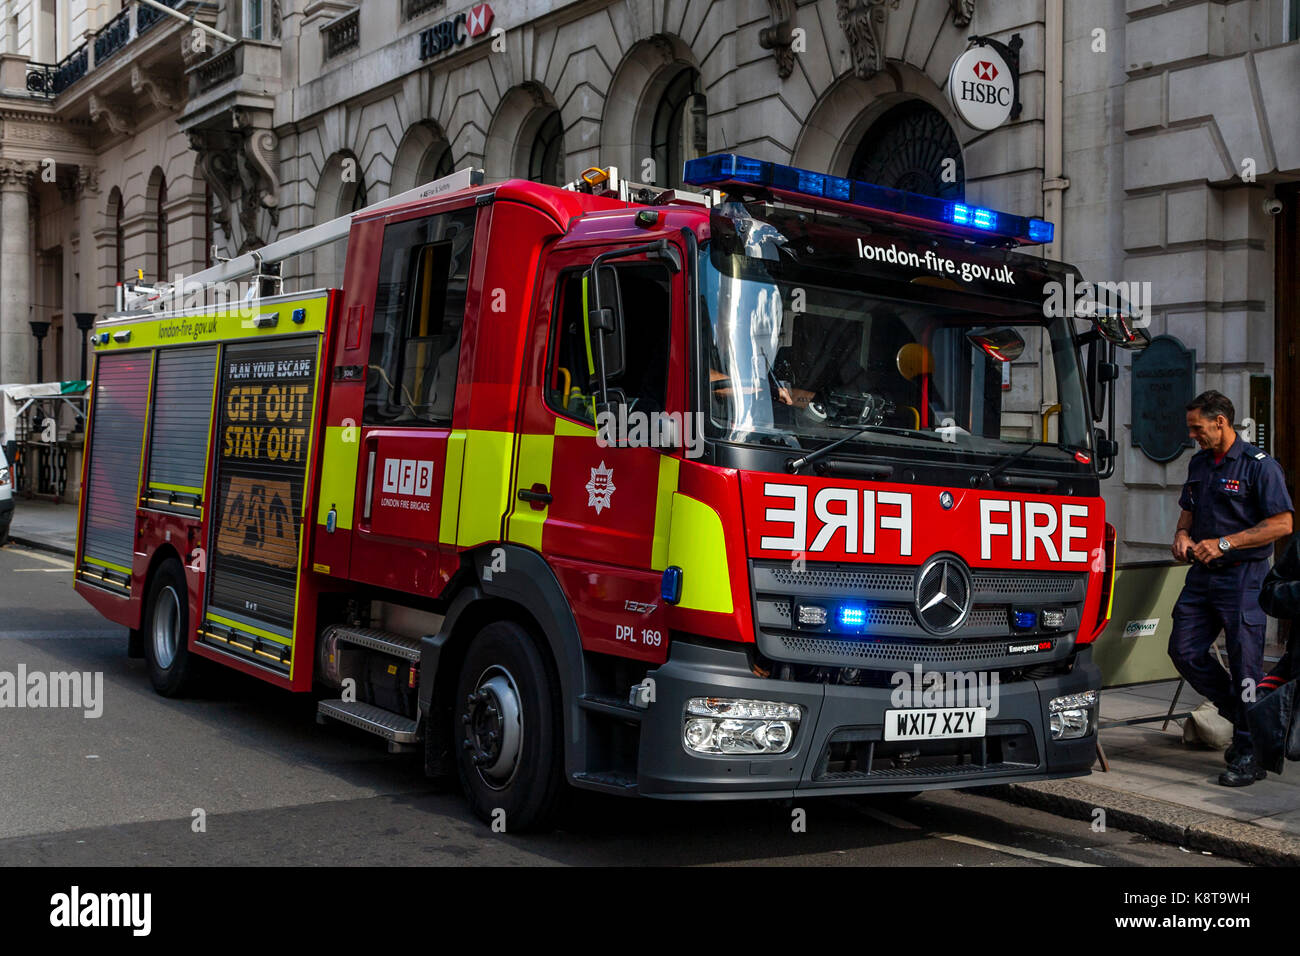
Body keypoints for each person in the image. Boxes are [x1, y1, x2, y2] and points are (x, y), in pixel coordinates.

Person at [1169, 390, 1294, 786]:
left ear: (1219, 421)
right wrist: (1182, 535)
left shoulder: (1261, 466)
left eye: (1197, 428)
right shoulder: (1200, 462)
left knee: (1245, 665)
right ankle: (1245, 718)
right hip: (1202, 576)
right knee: (1183, 650)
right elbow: (1187, 510)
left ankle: (1249, 751)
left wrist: (1226, 542)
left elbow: (1283, 525)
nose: (1193, 435)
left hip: (1243, 576)